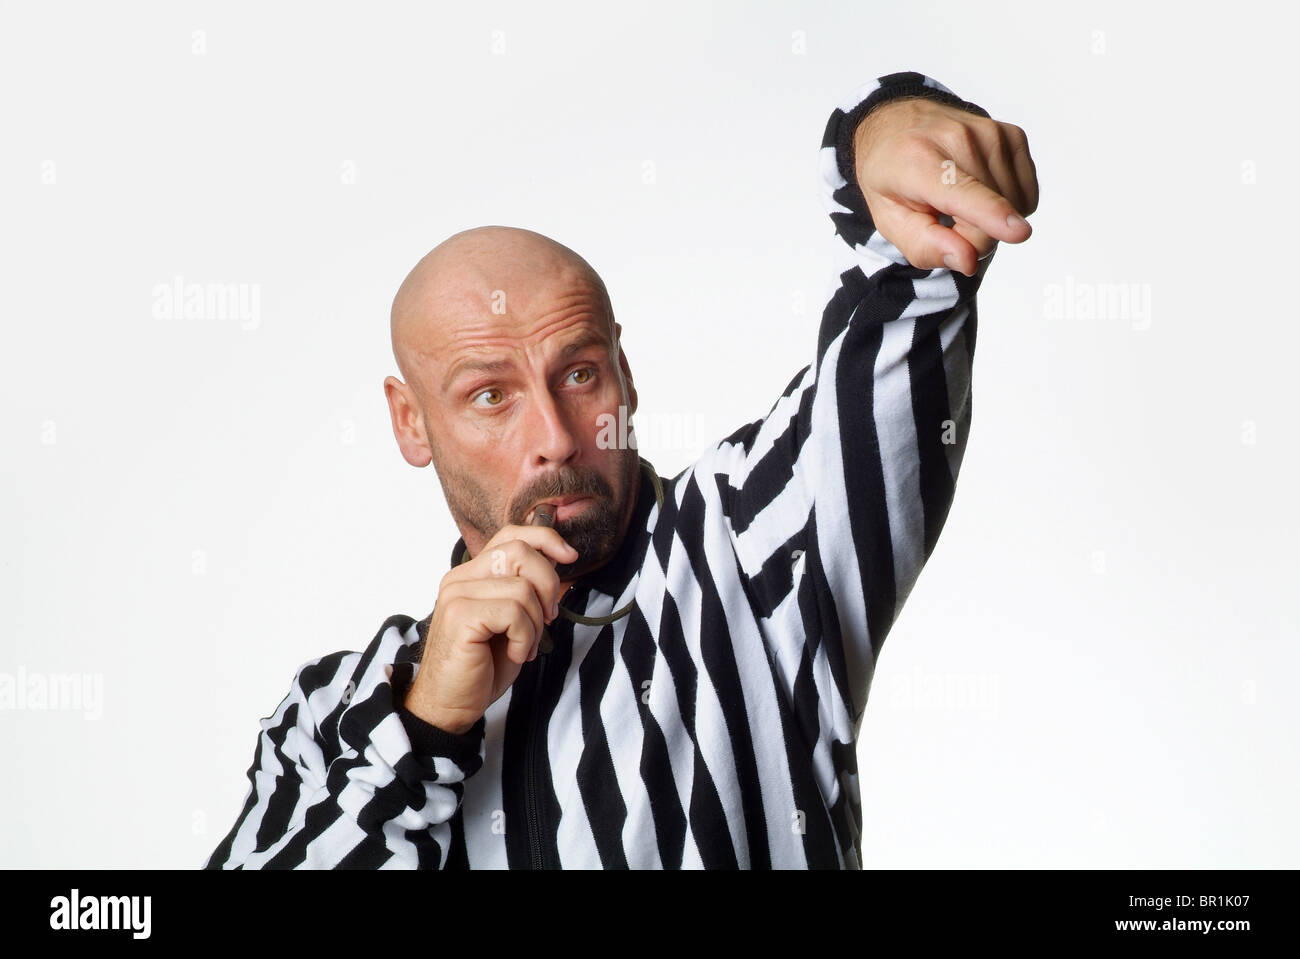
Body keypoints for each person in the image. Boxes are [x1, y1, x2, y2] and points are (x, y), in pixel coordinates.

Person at [203, 70, 1038, 869]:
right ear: (410, 421)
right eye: (490, 395)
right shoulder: (323, 720)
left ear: (623, 373)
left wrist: (880, 125)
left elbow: (908, 281)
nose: (557, 438)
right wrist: (425, 728)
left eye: (577, 374)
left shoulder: (751, 546)